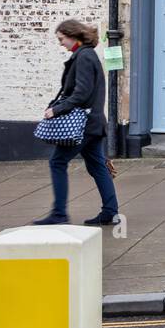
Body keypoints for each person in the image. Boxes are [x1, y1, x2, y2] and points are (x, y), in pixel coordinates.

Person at [33, 20, 119, 226]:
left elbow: (81, 93)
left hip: (84, 124)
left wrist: (56, 110)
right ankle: (110, 211)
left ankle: (59, 213)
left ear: (73, 36)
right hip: (93, 123)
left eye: (62, 39)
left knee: (57, 162)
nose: (61, 44)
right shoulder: (85, 55)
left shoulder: (84, 57)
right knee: (97, 165)